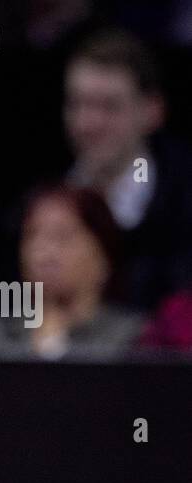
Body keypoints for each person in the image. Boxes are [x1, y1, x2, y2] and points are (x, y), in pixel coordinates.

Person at [61, 28, 192, 311]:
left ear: (152, 111)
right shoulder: (42, 202)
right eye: (77, 104)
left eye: (109, 106)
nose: (88, 124)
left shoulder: (183, 201)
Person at [0, 184, 143, 360]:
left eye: (62, 236)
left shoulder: (135, 340)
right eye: (32, 235)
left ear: (104, 254)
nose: (43, 253)